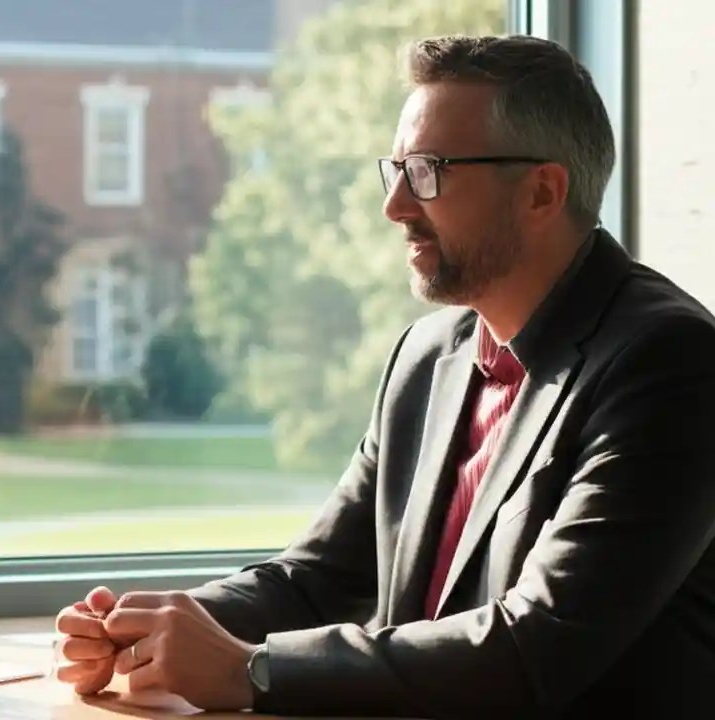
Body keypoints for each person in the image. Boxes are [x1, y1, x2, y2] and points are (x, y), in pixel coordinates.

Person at [56, 34, 715, 719]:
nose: (395, 206)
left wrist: (253, 672)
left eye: (428, 172)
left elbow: (535, 646)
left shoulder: (671, 361)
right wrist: (154, 629)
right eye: (395, 171)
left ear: (543, 192)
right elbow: (320, 578)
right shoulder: (427, 358)